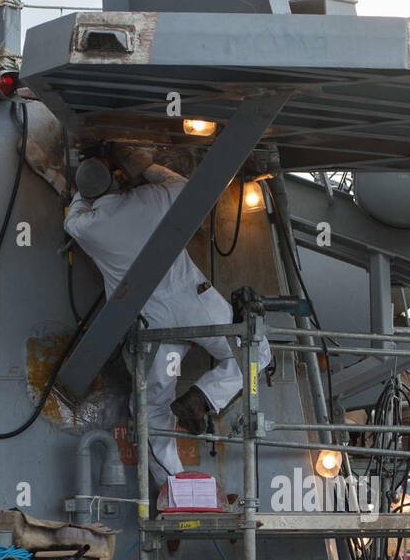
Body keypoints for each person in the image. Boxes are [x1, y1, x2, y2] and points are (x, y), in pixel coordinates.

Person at [65, 151, 272, 483]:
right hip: (194, 301)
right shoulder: (150, 199)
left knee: (151, 407)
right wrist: (143, 167)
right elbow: (182, 185)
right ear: (114, 182)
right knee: (256, 353)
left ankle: (174, 489)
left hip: (153, 322)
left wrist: (87, 181)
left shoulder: (86, 227)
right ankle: (202, 397)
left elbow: (74, 213)